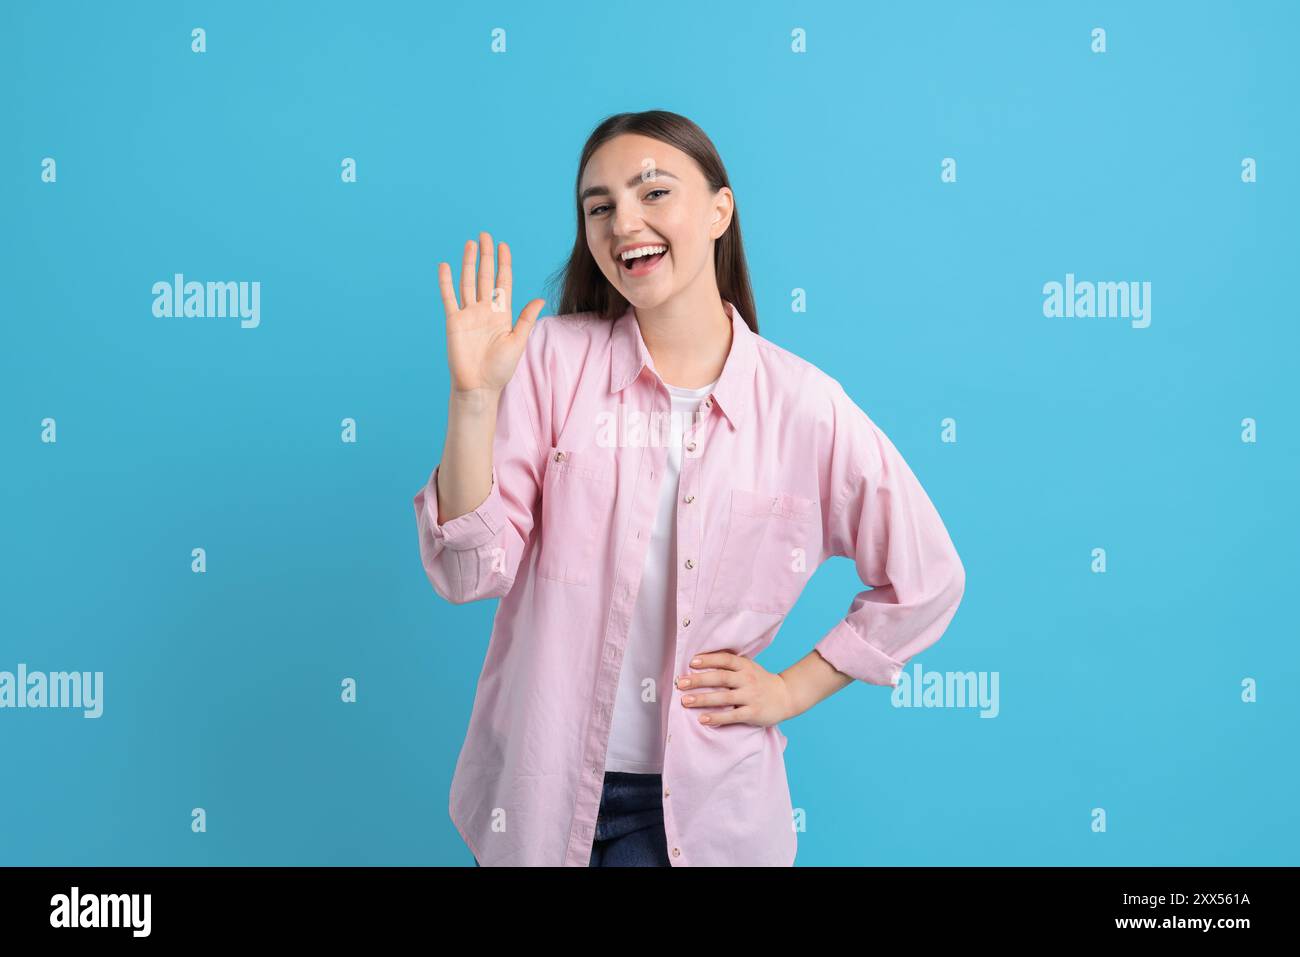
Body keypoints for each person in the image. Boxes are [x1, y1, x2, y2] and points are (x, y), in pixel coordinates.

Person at [414, 110, 966, 867]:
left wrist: (792, 690)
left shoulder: (804, 406)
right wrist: (473, 403)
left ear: (719, 211)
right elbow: (467, 573)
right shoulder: (546, 361)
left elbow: (928, 577)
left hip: (707, 816)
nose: (623, 223)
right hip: (539, 795)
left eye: (653, 192)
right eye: (599, 207)